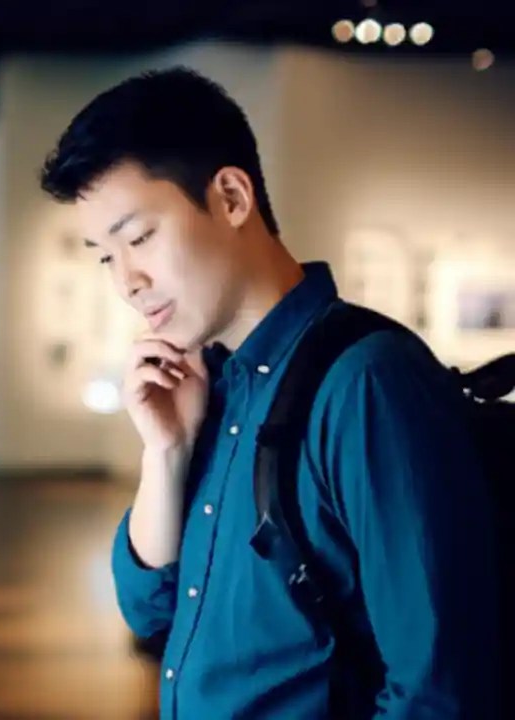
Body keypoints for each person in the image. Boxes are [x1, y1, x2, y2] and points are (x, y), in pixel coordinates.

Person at [39, 67, 496, 718]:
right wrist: (164, 455)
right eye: (105, 256)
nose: (128, 281)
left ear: (230, 197)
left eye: (140, 238)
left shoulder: (367, 382)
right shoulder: (215, 382)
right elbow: (148, 608)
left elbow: (441, 692)